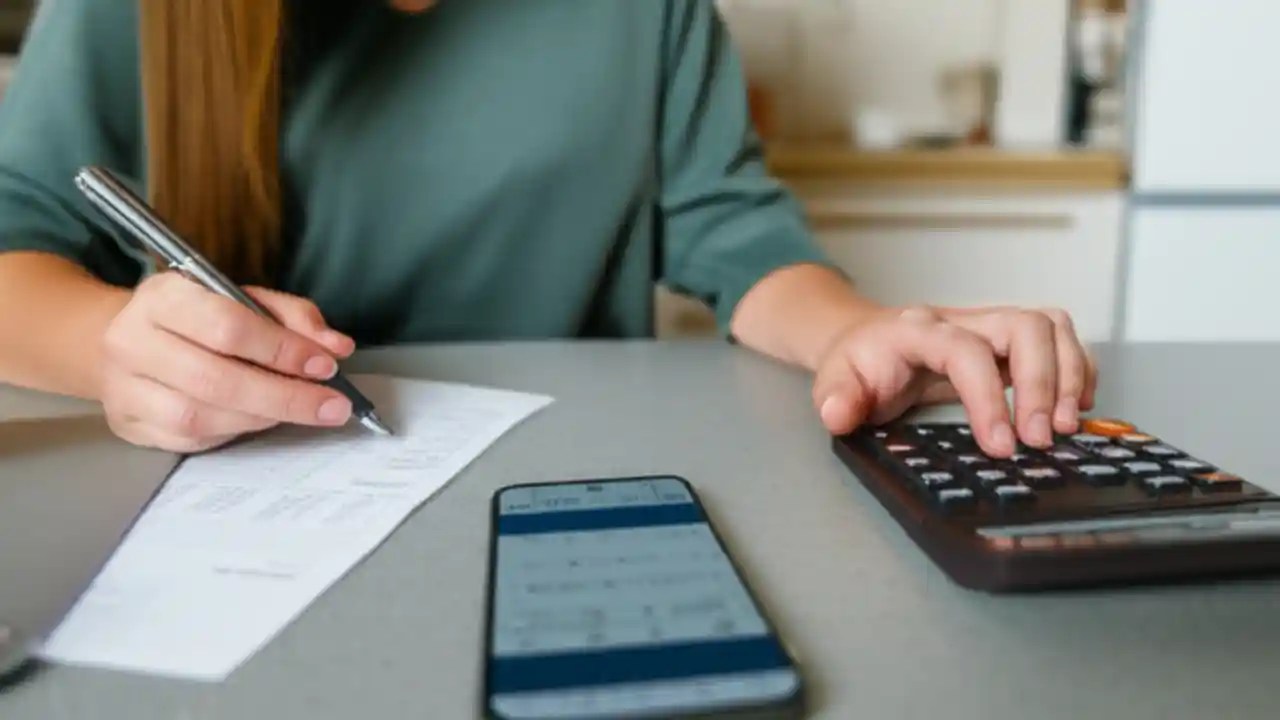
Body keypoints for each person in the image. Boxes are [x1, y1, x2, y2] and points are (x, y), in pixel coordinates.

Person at [0, 0, 1095, 457]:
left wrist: (853, 330)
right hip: (222, 503)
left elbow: (736, 238)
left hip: (568, 481)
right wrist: (113, 349)